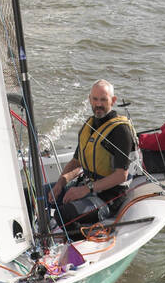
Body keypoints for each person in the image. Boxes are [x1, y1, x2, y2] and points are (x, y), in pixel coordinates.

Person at [50, 80, 135, 225]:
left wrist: (85, 190)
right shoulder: (89, 126)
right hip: (85, 186)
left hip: (108, 198)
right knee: (35, 195)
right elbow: (77, 162)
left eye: (103, 99)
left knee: (64, 213)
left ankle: (65, 243)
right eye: (95, 99)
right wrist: (61, 182)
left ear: (113, 100)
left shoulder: (120, 131)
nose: (98, 104)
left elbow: (121, 175)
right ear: (90, 99)